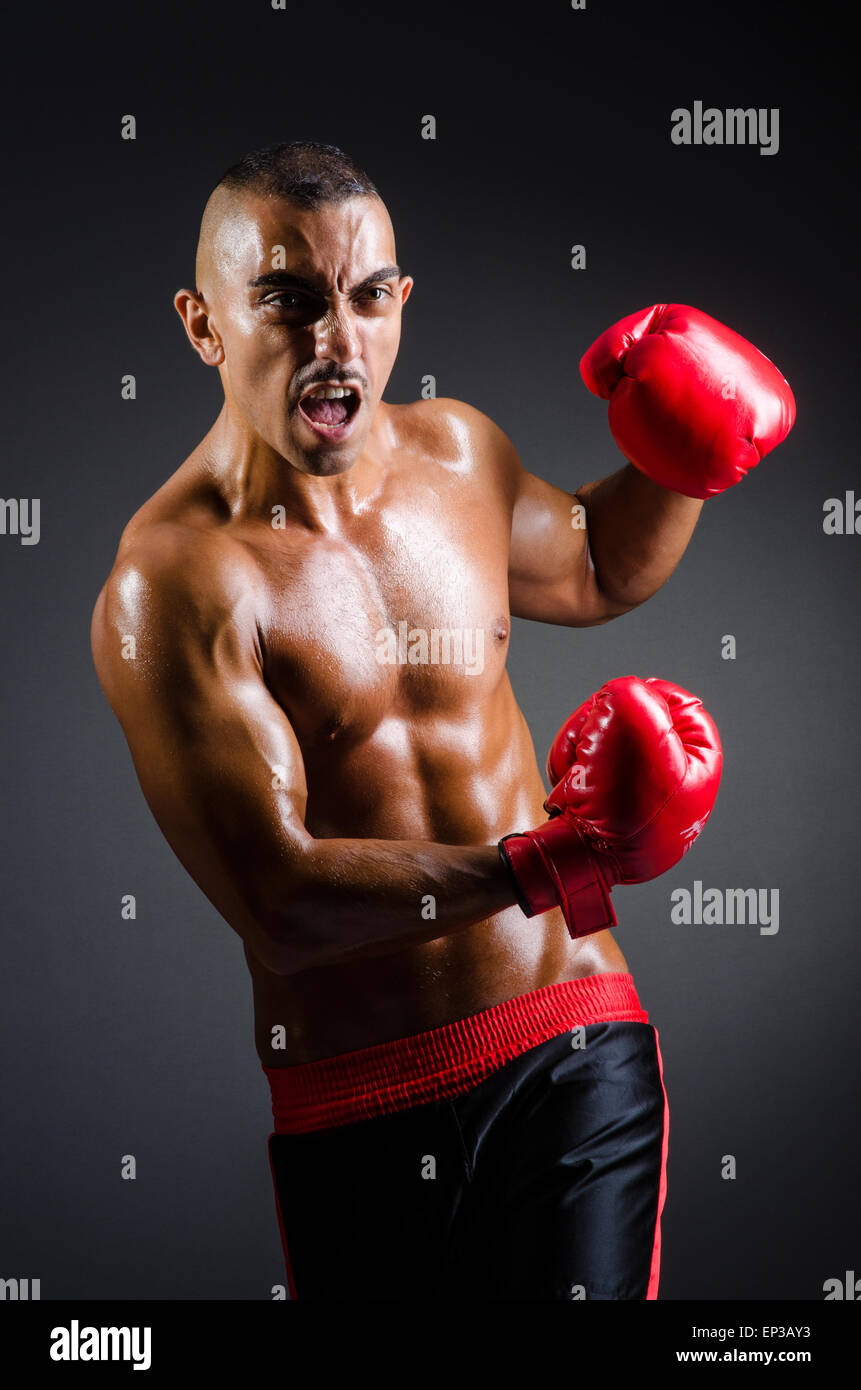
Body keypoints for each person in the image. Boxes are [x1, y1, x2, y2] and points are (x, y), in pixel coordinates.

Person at [90, 140, 794, 1300]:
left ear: (402, 300)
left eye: (369, 298)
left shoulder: (458, 454)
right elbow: (282, 898)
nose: (338, 342)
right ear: (204, 324)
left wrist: (681, 461)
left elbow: (592, 566)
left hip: (573, 1045)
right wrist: (548, 858)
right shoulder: (171, 586)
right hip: (356, 1103)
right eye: (289, 301)